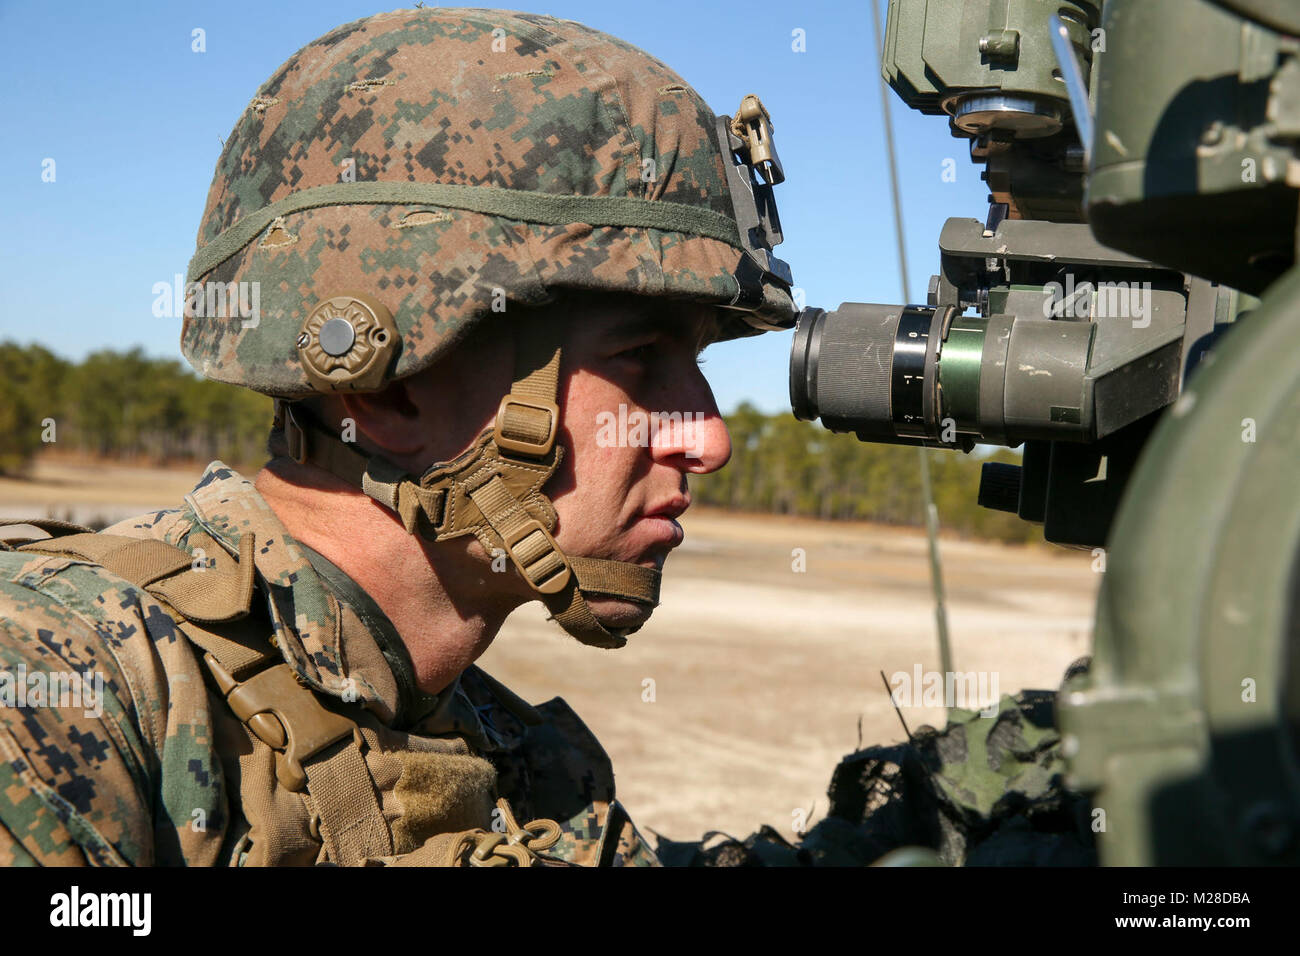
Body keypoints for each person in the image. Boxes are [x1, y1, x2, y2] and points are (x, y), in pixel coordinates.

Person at [0, 7, 795, 866]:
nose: (708, 440)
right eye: (641, 357)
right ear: (391, 392)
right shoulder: (64, 685)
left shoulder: (519, 759)